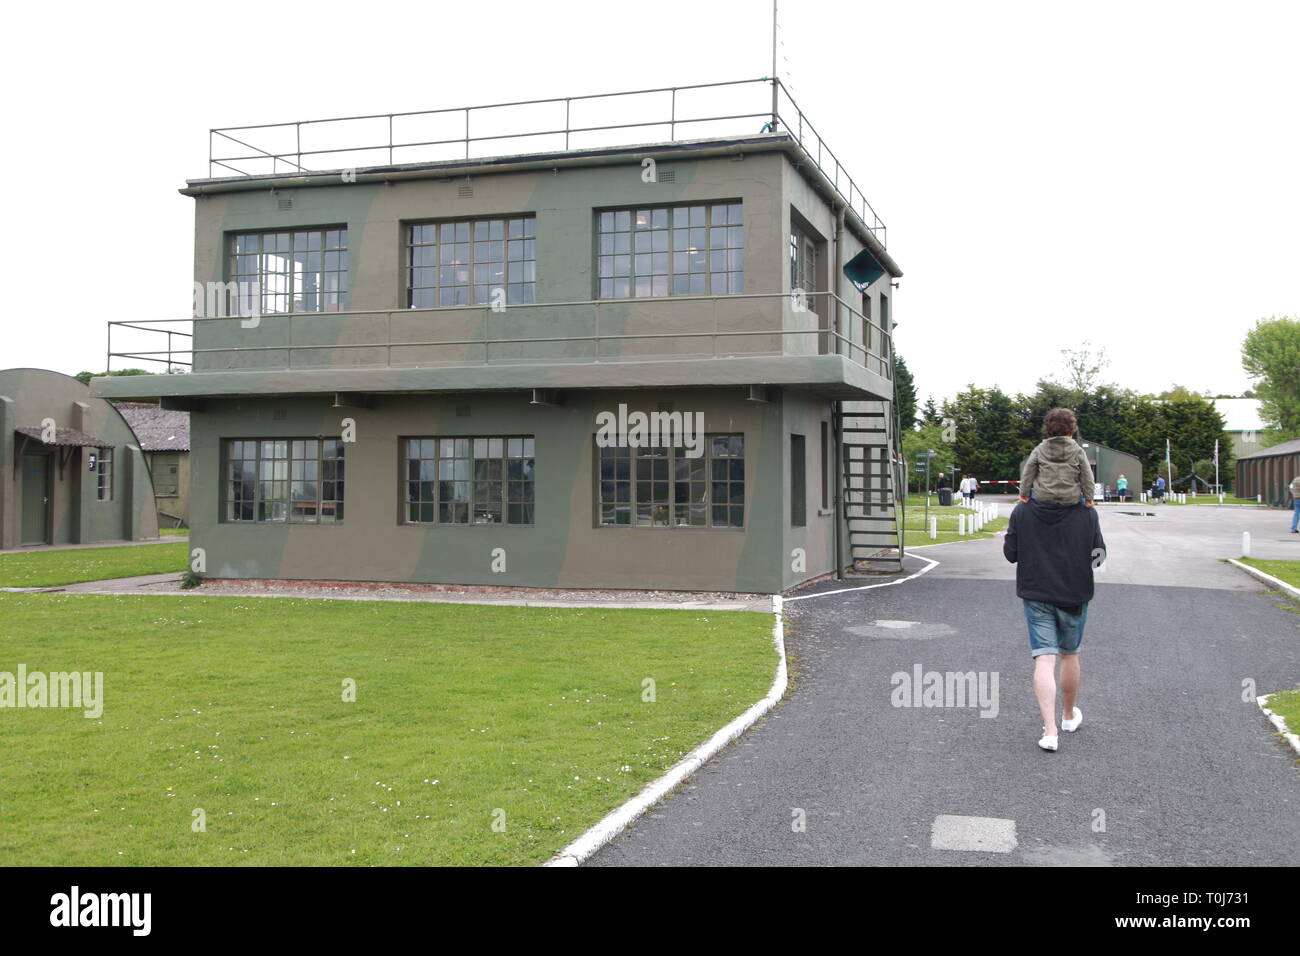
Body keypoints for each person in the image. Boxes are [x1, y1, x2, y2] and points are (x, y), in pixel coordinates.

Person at [1004, 482, 1106, 752]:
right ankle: (1069, 715)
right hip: (1074, 593)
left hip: (1037, 591)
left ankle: (1050, 731)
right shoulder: (1087, 511)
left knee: (1044, 657)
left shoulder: (1022, 511)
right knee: (1069, 653)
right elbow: (1099, 557)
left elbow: (1010, 554)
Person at [1018, 407, 1094, 508]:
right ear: (1072, 430)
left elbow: (1028, 473)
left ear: (1048, 430)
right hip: (1071, 498)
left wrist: (1024, 494)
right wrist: (1089, 497)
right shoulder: (1078, 450)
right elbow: (1087, 476)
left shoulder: (1039, 449)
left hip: (1044, 497)